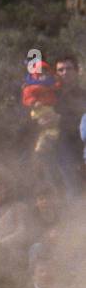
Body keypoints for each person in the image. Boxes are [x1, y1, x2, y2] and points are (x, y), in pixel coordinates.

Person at [53, 55, 86, 202]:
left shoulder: (83, 95)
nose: (65, 72)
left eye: (68, 68)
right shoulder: (49, 95)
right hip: (52, 151)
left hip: (78, 150)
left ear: (77, 71)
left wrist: (60, 121)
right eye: (60, 70)